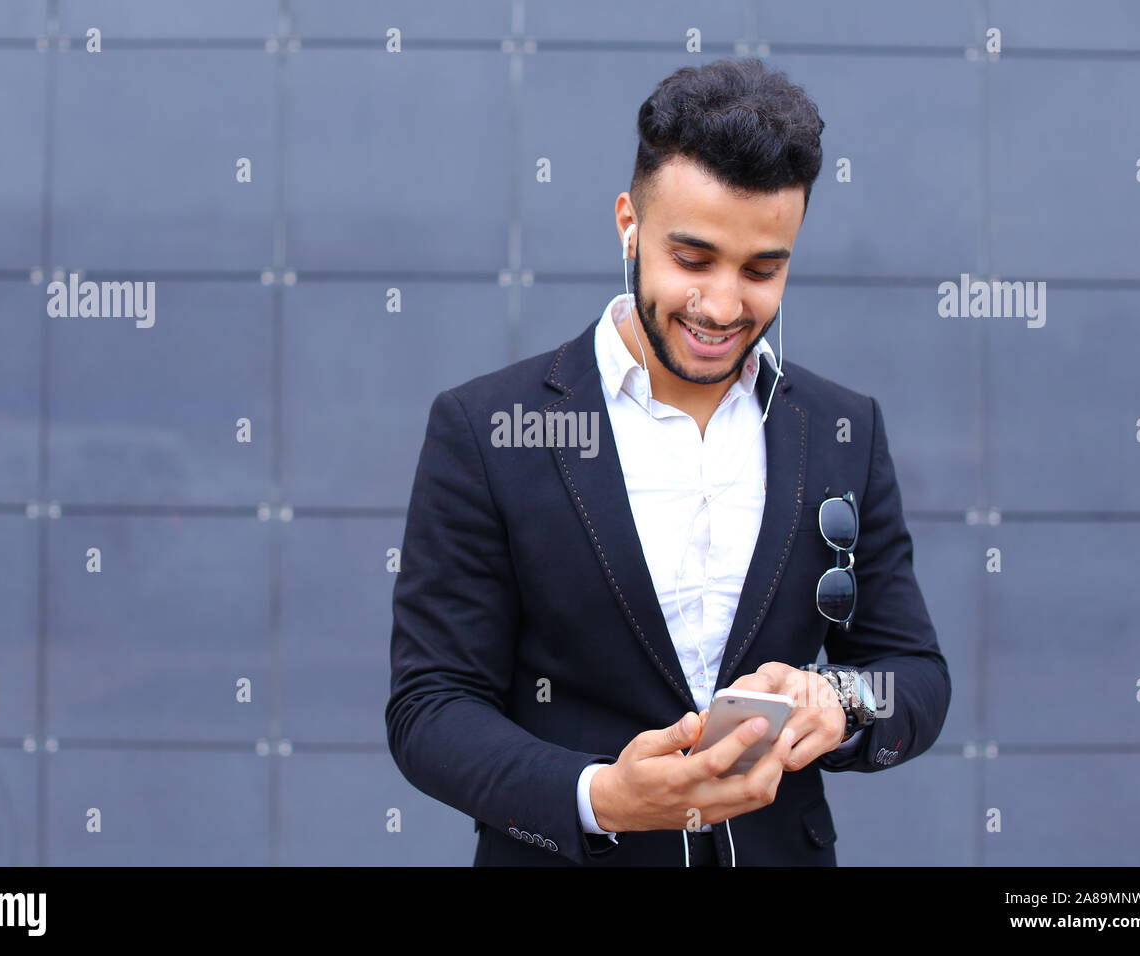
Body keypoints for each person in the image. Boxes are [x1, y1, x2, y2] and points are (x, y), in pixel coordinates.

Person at [386, 58, 950, 866]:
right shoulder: (485, 427)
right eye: (693, 260)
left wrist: (843, 699)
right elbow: (431, 709)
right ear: (629, 224)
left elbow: (914, 674)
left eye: (763, 269)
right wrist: (599, 798)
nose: (723, 307)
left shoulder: (841, 427)